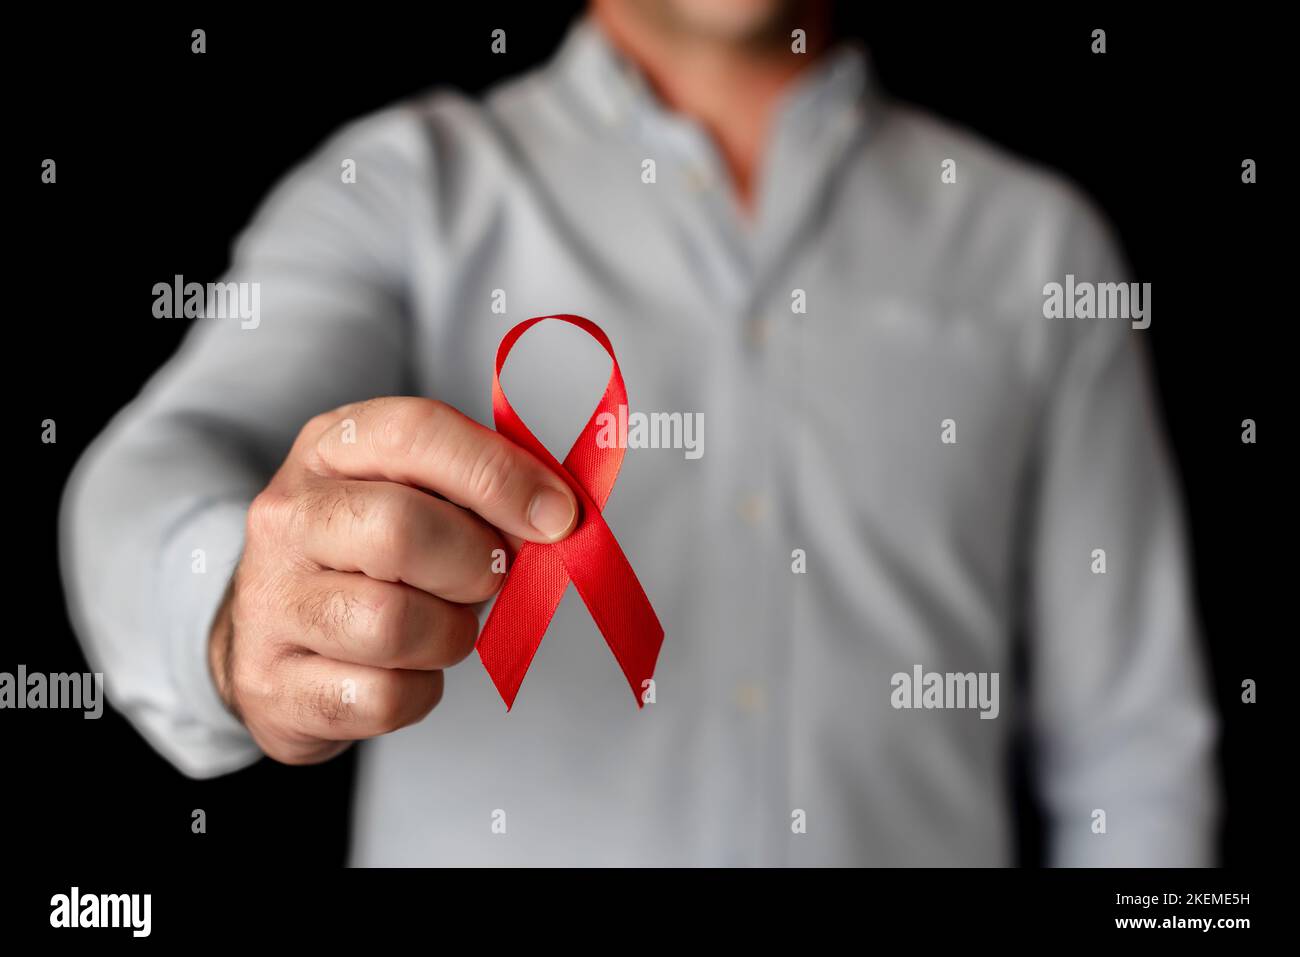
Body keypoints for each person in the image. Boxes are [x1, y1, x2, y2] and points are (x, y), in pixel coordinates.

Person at [60, 0, 1218, 865]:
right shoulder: (406, 189)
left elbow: (1134, 749)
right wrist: (232, 612)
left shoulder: (1038, 248)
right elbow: (159, 462)